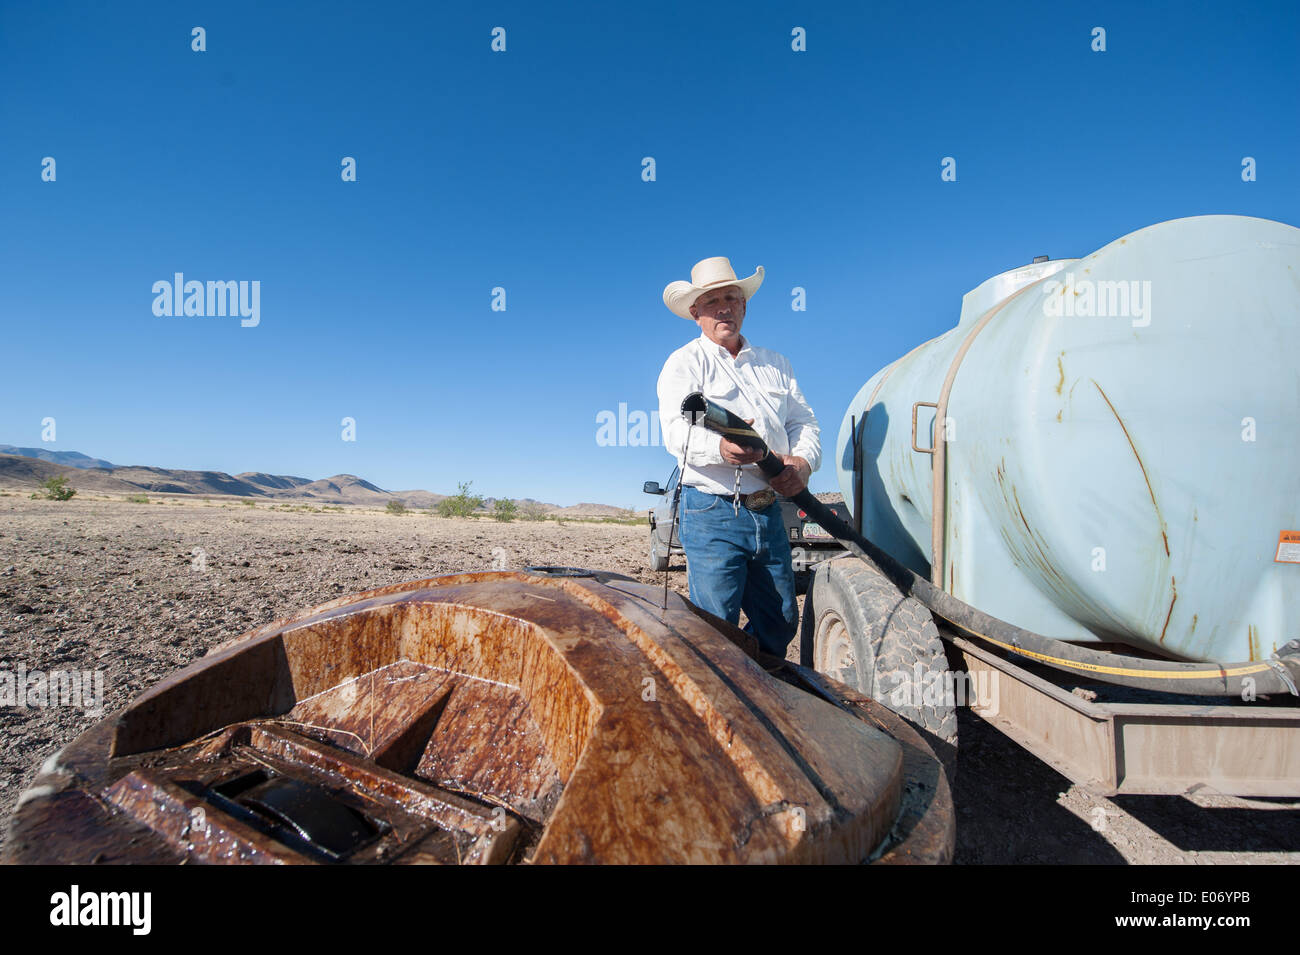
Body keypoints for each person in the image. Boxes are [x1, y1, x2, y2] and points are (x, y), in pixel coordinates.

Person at [657, 256, 821, 657]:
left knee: (780, 620)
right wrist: (719, 447)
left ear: (745, 306)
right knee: (715, 624)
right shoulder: (684, 363)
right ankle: (723, 700)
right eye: (713, 302)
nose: (724, 307)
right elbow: (674, 432)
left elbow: (805, 423)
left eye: (732, 298)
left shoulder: (777, 364)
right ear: (696, 313)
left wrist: (802, 462)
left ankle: (761, 685)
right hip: (712, 510)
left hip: (768, 508)